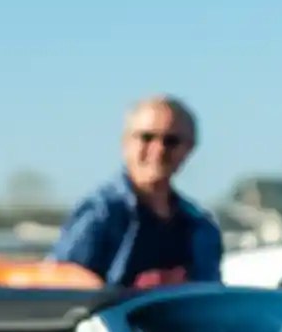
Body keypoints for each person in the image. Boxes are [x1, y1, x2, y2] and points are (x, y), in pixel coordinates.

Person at [50, 95, 224, 287]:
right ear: (126, 142)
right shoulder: (101, 213)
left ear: (189, 149)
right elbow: (60, 287)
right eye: (147, 137)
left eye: (171, 141)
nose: (158, 150)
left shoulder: (201, 226)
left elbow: (209, 297)